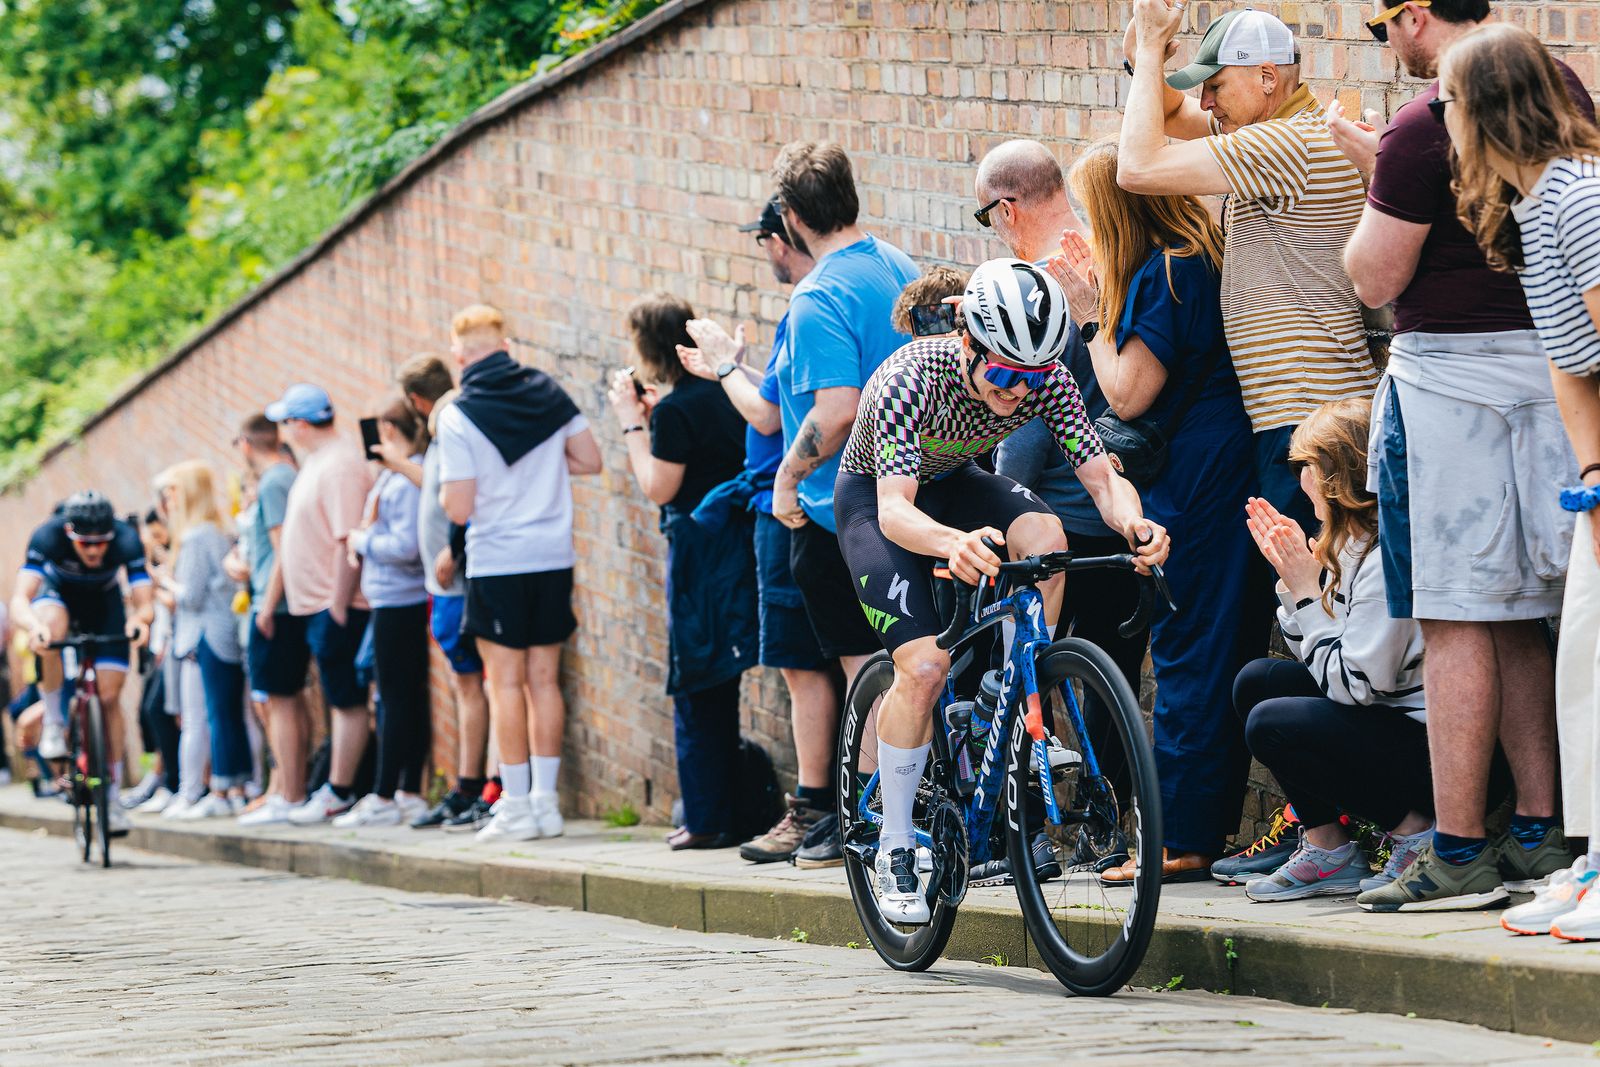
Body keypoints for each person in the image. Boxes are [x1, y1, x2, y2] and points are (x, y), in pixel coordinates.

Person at [1338, 14, 1593, 913]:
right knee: (1524, 612)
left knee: (1451, 613)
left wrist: (1376, 168)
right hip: (1552, 389)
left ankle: (1456, 849)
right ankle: (1541, 828)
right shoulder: (1557, 105)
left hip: (1448, 386)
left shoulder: (1421, 130)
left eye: (1382, 22)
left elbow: (1372, 278)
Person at [834, 259, 1170, 924]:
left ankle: (1017, 687)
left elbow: (1102, 479)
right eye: (1005, 374)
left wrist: (1135, 523)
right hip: (878, 500)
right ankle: (896, 840)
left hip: (954, 480)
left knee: (1046, 537)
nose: (1019, 391)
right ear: (969, 344)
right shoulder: (911, 378)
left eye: (1032, 376)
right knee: (924, 667)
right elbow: (897, 511)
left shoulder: (1046, 377)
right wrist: (950, 543)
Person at [1045, 138, 1259, 885]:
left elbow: (1128, 392)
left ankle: (1180, 839)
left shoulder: (1169, 270)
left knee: (1186, 646)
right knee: (1205, 646)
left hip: (1196, 479)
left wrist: (1088, 311)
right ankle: (1196, 829)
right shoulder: (1181, 259)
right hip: (1204, 468)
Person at [1437, 23, 1600, 938]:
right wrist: (1592, 479)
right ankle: (1594, 856)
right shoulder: (1532, 208)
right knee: (1584, 664)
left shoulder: (1579, 199)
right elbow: (1571, 370)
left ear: (1489, 109)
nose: (1443, 121)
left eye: (1451, 104)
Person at [1117, 1, 1377, 530]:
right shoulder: (1285, 131)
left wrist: (1148, 54)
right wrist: (1140, 56)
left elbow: (1137, 167)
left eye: (1216, 85)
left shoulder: (1281, 144)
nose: (1206, 101)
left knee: (1310, 570)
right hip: (1314, 410)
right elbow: (1172, 113)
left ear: (1266, 77)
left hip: (1306, 413)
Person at [976, 139, 1153, 883]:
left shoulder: (1030, 289)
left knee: (1022, 674)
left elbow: (1020, 438)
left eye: (987, 216)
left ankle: (1026, 837)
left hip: (1048, 524)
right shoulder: (1105, 261)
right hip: (1113, 515)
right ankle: (1115, 832)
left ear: (1007, 208)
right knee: (1112, 682)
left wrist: (994, 516)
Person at [675, 198, 840, 864]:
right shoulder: (825, 301)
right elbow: (775, 397)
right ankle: (831, 805)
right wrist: (734, 371)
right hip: (812, 499)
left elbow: (768, 419)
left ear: (782, 237)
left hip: (792, 502)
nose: (765, 252)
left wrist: (723, 367)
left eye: (765, 240)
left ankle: (815, 806)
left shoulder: (809, 305)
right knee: (825, 660)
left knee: (802, 663)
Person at [1232, 398, 1436, 902]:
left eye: (1308, 465)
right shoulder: (1349, 542)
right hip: (1383, 716)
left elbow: (1355, 685)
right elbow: (1319, 659)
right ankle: (1329, 850)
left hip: (1431, 751)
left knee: (1270, 722)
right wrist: (1293, 584)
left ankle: (1416, 836)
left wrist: (1306, 591)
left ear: (1338, 476)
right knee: (1258, 681)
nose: (1301, 479)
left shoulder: (1387, 556)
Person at [436, 305, 602, 842]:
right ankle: (546, 805)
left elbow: (459, 507)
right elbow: (589, 459)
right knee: (543, 681)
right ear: (506, 347)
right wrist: (543, 468)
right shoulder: (548, 393)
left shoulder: (458, 414)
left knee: (505, 683)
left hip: (499, 559)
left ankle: (516, 809)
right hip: (552, 555)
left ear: (460, 356)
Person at [764, 141, 920, 697]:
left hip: (842, 517)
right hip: (907, 497)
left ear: (793, 216)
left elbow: (835, 413)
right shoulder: (898, 263)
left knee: (870, 683)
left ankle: (880, 764)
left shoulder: (816, 297)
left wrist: (786, 479)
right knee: (912, 674)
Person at [611, 293, 756, 849]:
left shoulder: (673, 411)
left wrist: (633, 426)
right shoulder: (726, 390)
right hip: (741, 538)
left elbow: (659, 486)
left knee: (697, 678)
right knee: (722, 674)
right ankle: (726, 809)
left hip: (700, 551)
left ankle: (707, 818)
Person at [262, 384, 376, 826]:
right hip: (315, 605)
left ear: (301, 424)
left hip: (336, 602)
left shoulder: (340, 466)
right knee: (335, 697)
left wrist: (339, 605)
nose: (283, 431)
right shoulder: (318, 463)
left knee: (346, 698)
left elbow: (348, 540)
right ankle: (334, 786)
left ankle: (340, 790)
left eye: (286, 422)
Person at [8, 491, 153, 832]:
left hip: (104, 605)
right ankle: (55, 722)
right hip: (57, 597)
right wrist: (34, 627)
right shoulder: (48, 535)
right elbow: (20, 600)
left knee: (109, 697)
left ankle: (113, 798)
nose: (93, 551)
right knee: (51, 627)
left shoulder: (126, 539)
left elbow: (144, 603)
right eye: (85, 543)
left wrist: (139, 621)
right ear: (68, 532)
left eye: (101, 543)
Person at [396, 354, 495, 830]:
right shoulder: (442, 434)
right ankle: (470, 785)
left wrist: (455, 548)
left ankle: (478, 786)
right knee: (468, 684)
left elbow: (466, 499)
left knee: (474, 684)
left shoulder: (452, 425)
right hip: (447, 586)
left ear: (416, 401)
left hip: (458, 584)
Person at [337, 397, 431, 828]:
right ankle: (404, 790)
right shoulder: (395, 475)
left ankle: (388, 793)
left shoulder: (407, 477)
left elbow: (406, 546)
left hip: (400, 597)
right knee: (401, 695)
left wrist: (362, 542)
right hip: (390, 597)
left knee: (395, 698)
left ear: (389, 430)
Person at [152, 461, 251, 819]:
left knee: (210, 717)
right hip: (221, 633)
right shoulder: (214, 531)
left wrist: (164, 581)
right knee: (227, 715)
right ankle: (234, 789)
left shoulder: (196, 536)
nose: (168, 501)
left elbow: (191, 596)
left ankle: (215, 791)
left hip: (206, 635)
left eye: (173, 492)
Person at [232, 413, 312, 827]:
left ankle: (290, 794)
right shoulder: (281, 478)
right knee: (284, 700)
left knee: (279, 702)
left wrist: (266, 606)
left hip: (276, 607)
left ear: (246, 444)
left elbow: (285, 549)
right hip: (277, 602)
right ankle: (286, 790)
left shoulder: (274, 480)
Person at [122, 508, 181, 813]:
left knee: (158, 710)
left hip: (172, 646)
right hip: (158, 647)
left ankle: (171, 782)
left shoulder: (164, 562)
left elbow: (173, 601)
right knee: (151, 712)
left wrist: (155, 582)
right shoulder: (140, 568)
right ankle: (162, 779)